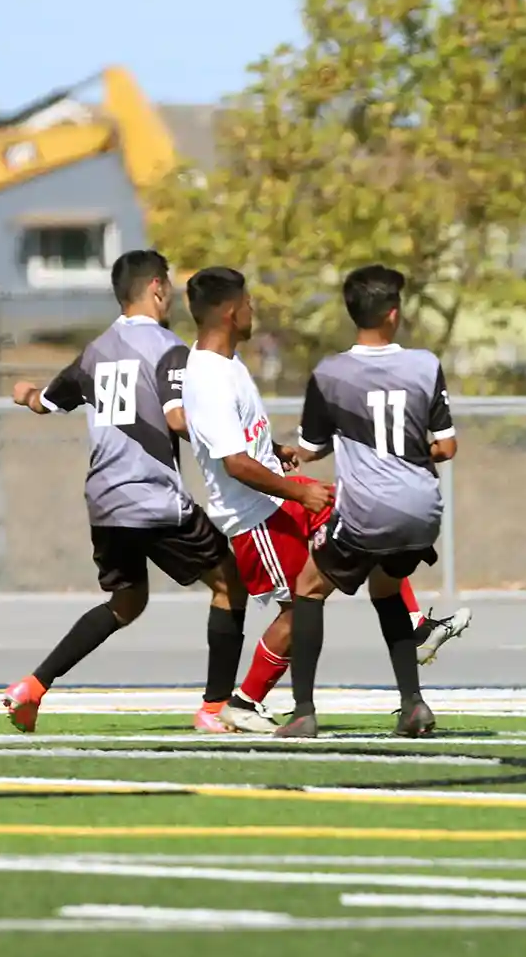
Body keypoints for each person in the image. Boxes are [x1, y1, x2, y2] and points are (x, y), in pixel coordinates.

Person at [175, 269, 474, 732]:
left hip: (276, 497)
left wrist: (275, 452)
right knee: (300, 605)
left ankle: (414, 628)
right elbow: (234, 463)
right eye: (250, 303)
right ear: (233, 312)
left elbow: (244, 442)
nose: (255, 309)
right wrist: (300, 489)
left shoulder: (227, 362)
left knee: (358, 512)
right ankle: (243, 701)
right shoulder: (210, 377)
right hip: (254, 513)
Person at [2, 249, 244, 733]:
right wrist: (236, 437)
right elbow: (177, 419)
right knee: (230, 586)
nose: (171, 293)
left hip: (106, 503)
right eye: (169, 285)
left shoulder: (95, 351)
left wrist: (25, 392)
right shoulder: (171, 349)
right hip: (153, 499)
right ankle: (215, 708)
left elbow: (47, 403)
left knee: (126, 602)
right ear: (156, 287)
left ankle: (32, 687)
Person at [275, 264, 457, 739]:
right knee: (387, 589)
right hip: (422, 510)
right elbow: (447, 447)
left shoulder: (330, 373)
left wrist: (291, 455)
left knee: (308, 586)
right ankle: (414, 704)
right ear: (394, 314)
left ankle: (302, 711)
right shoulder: (424, 364)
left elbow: (311, 447)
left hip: (368, 512)